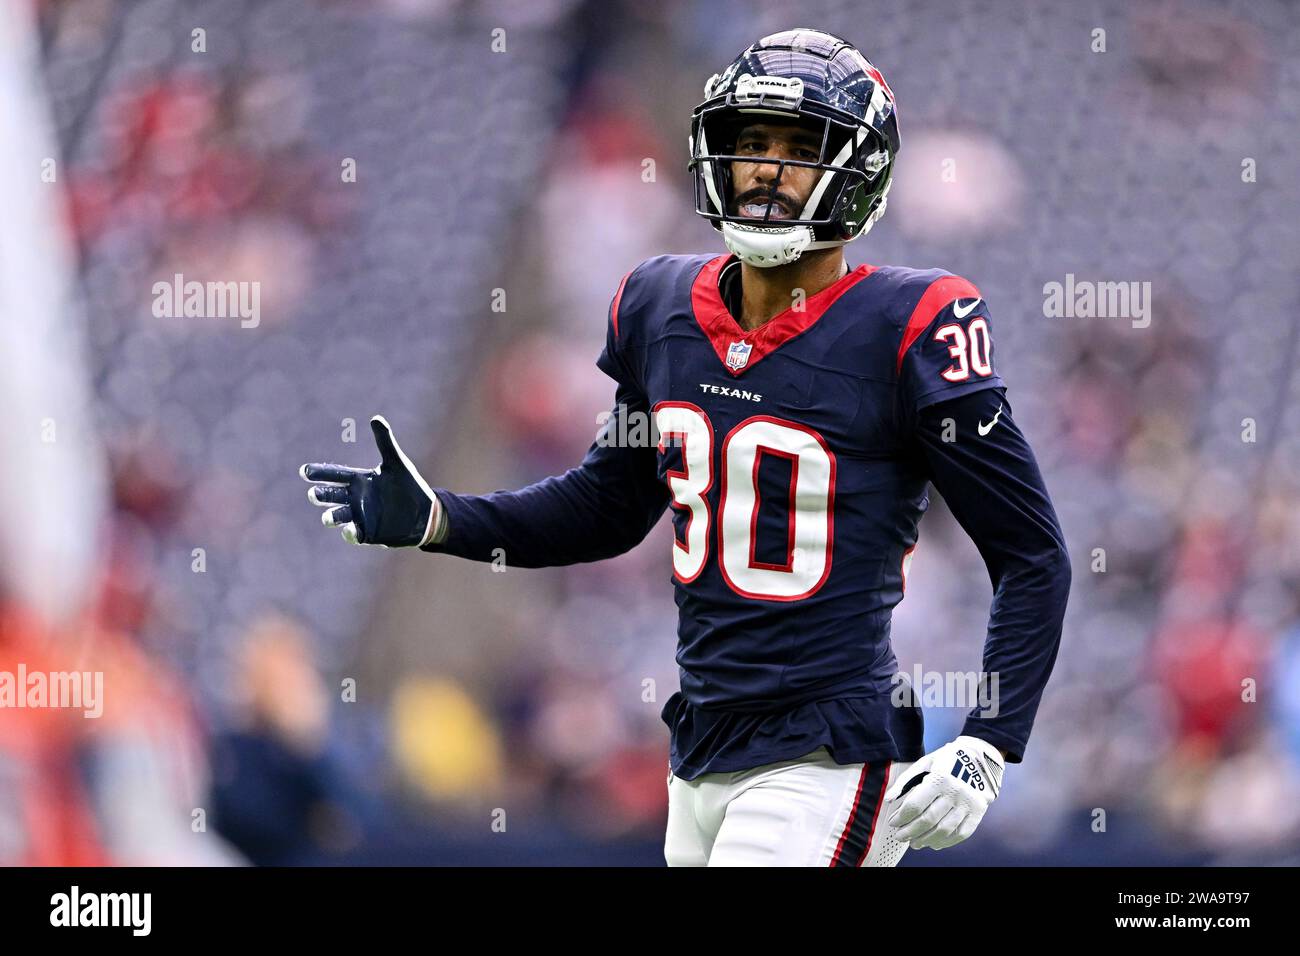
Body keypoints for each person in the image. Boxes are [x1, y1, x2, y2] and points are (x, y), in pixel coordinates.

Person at [300, 28, 1071, 867]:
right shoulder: (657, 303)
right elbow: (608, 507)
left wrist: (992, 739)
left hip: (828, 753)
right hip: (701, 749)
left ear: (859, 172)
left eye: (799, 148)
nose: (767, 169)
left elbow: (1030, 552)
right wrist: (442, 521)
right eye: (751, 143)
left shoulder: (913, 323)